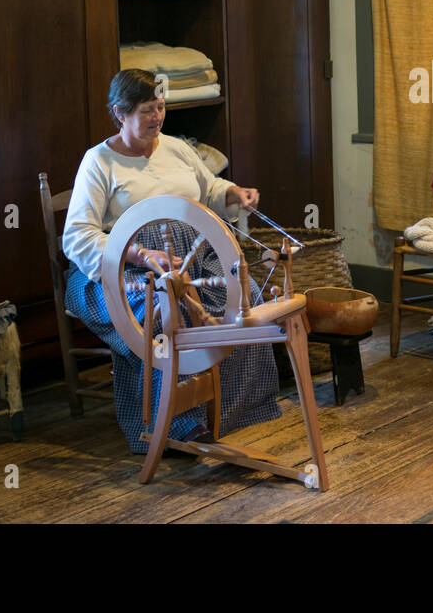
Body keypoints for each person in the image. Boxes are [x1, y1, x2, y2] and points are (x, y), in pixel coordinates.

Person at [62, 68, 281, 453]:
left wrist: (233, 193)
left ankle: (231, 410)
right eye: (147, 110)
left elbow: (208, 188)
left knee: (243, 305)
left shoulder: (176, 147)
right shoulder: (99, 162)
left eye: (160, 107)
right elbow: (77, 236)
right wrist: (139, 253)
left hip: (192, 259)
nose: (157, 117)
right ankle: (176, 425)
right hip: (121, 268)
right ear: (120, 112)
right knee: (163, 315)